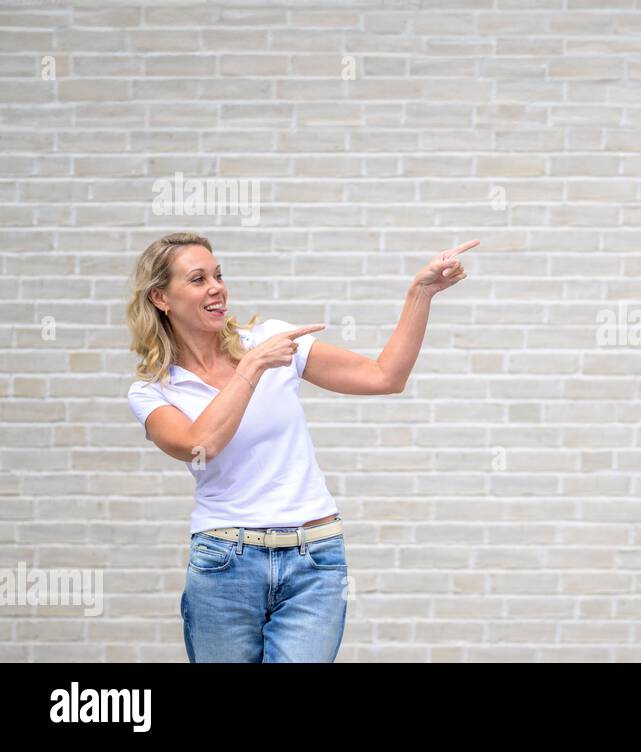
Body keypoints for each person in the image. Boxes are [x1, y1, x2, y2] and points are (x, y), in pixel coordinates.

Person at [124, 231, 476, 661]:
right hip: (224, 563)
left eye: (218, 275)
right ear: (161, 297)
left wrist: (420, 294)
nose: (216, 287)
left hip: (315, 559)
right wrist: (250, 368)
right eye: (197, 280)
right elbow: (202, 442)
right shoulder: (153, 391)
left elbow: (385, 376)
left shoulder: (271, 341)